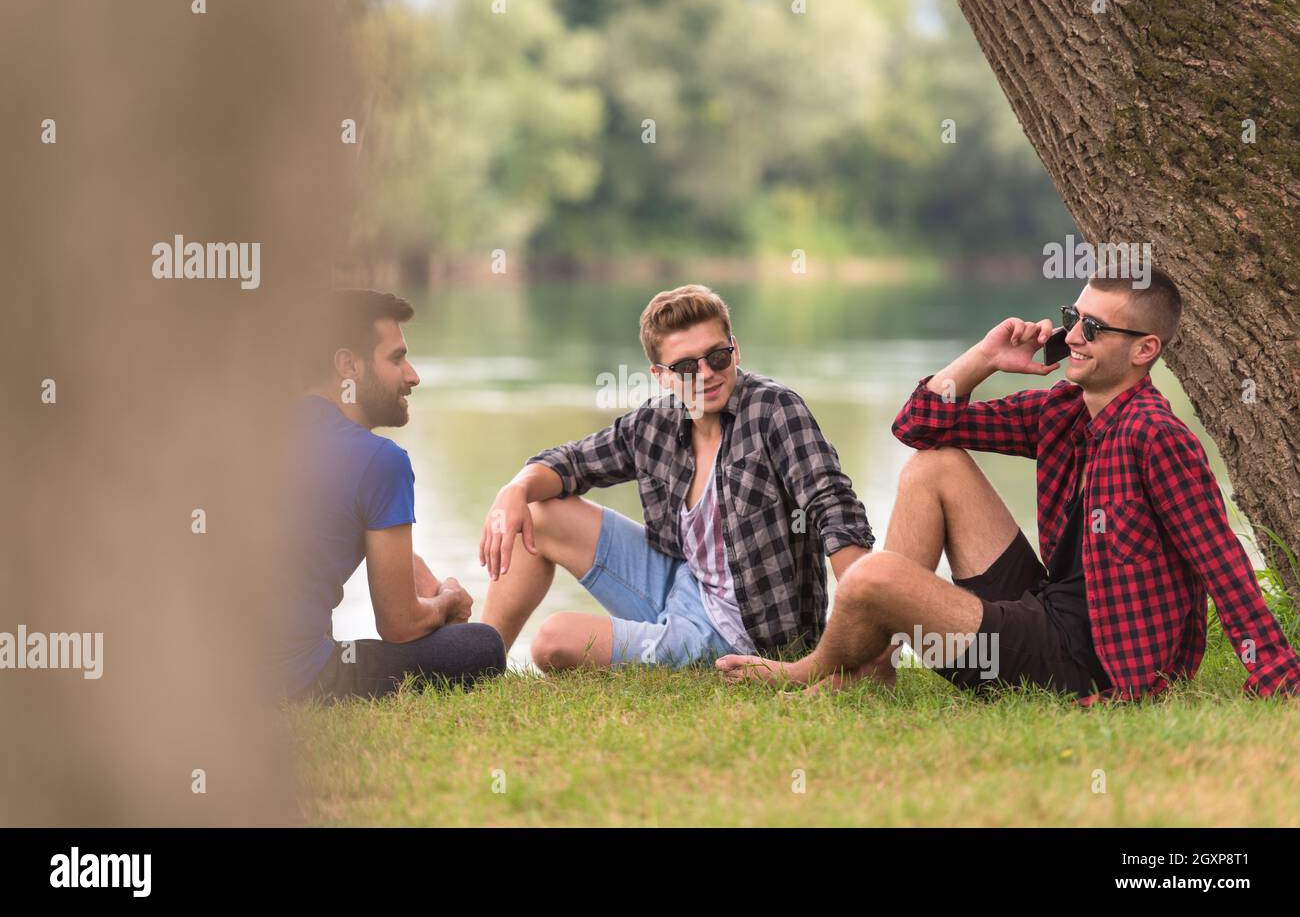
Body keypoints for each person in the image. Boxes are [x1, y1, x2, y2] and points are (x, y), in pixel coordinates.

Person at [717, 267, 1300, 703]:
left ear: (1145, 349)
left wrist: (1273, 670)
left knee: (870, 576)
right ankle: (872, 670)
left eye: (1093, 328)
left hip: (1089, 664)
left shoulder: (1156, 437)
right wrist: (985, 358)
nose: (1073, 336)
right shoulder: (1065, 411)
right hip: (1048, 612)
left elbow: (1220, 559)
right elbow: (919, 425)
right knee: (934, 464)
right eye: (1073, 318)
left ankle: (814, 669)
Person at [478, 284, 875, 672]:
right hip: (681, 584)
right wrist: (513, 490)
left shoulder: (774, 411)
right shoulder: (656, 423)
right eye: (686, 367)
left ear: (735, 349)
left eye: (717, 357)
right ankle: (475, 665)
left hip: (742, 632)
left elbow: (835, 509)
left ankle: (677, 650)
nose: (705, 375)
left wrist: (864, 649)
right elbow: (571, 464)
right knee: (535, 511)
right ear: (661, 375)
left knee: (554, 639)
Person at [280, 289, 505, 701]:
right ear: (349, 364)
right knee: (482, 646)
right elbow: (400, 625)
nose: (413, 375)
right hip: (295, 684)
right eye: (397, 358)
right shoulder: (381, 461)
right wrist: (447, 601)